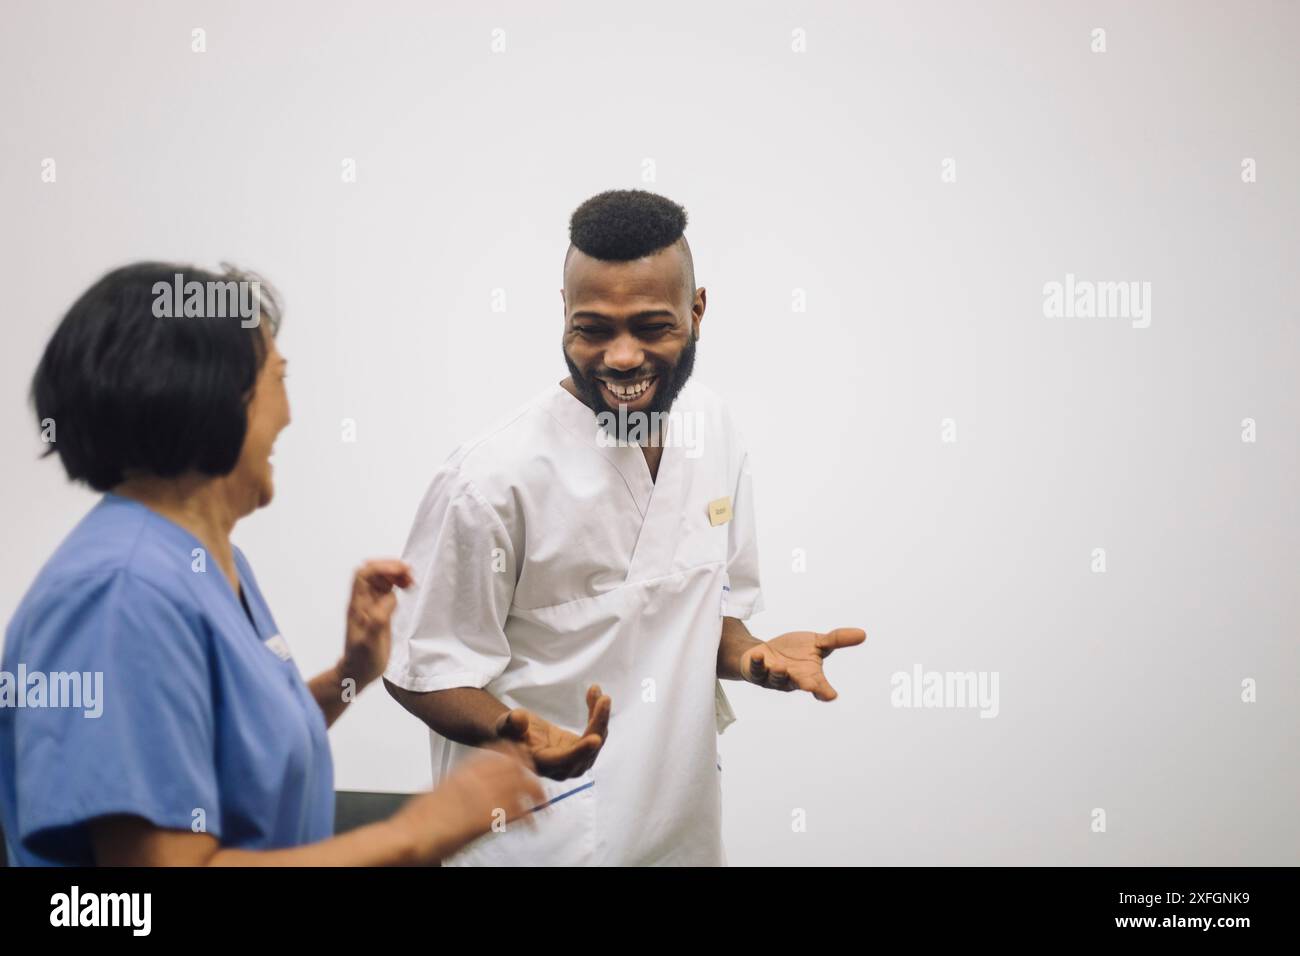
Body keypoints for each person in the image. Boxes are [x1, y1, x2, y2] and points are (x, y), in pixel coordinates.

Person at [0, 262, 542, 866]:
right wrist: (418, 830)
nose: (289, 414)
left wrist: (352, 673)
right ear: (208, 397)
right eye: (278, 379)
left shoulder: (209, 562)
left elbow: (228, 759)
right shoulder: (120, 592)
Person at [384, 189, 866, 865]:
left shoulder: (713, 429)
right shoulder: (491, 478)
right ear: (562, 313)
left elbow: (696, 608)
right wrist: (513, 729)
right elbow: (419, 665)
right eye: (593, 329)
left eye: (651, 326)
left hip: (678, 832)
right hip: (532, 844)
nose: (620, 356)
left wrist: (753, 658)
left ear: (697, 312)